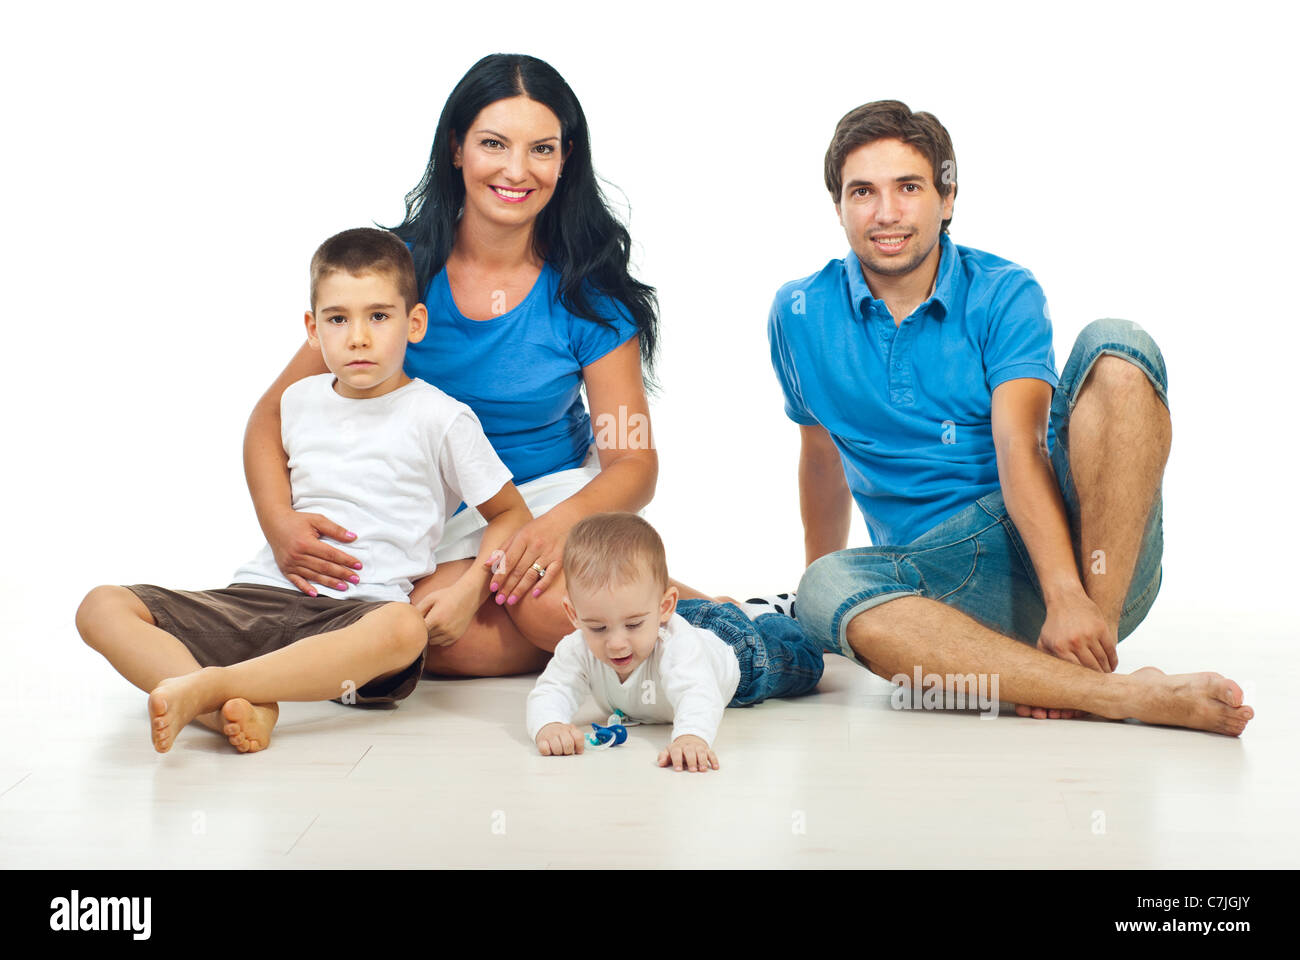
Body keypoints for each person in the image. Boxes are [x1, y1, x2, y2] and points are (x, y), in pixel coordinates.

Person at [768, 100, 1253, 736]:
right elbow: (822, 455)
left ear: (946, 198)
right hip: (939, 591)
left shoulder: (1003, 291)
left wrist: (1070, 598)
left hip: (1077, 558)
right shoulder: (799, 313)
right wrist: (818, 602)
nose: (885, 213)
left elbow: (1019, 445)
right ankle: (1107, 692)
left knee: (1118, 347)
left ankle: (1091, 652)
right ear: (839, 207)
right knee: (822, 586)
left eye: (908, 187)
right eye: (863, 192)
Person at [244, 54, 679, 679]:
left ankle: (710, 626)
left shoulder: (589, 297)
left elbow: (633, 461)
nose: (516, 170)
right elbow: (270, 414)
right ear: (456, 149)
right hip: (423, 516)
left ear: (566, 159)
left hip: (545, 496)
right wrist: (278, 521)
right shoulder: (393, 277)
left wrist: (554, 530)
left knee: (536, 604)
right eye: (493, 144)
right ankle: (652, 606)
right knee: (422, 634)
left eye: (542, 149)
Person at [75, 228, 526, 753]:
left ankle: (211, 686)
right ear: (313, 329)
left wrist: (469, 592)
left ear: (415, 322)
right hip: (259, 595)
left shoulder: (442, 418)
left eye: (378, 316)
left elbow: (510, 514)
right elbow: (266, 468)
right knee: (100, 606)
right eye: (338, 319)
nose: (358, 337)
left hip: (358, 614)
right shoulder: (297, 401)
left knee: (405, 631)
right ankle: (231, 712)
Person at [526, 513, 825, 772]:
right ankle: (739, 611)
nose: (616, 643)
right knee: (651, 626)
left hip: (738, 653)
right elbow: (553, 689)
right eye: (598, 627)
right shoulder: (576, 647)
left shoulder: (677, 647)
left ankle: (772, 615)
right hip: (677, 620)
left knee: (804, 662)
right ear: (573, 614)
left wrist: (691, 736)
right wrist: (549, 724)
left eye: (632, 624)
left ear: (665, 606)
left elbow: (698, 693)